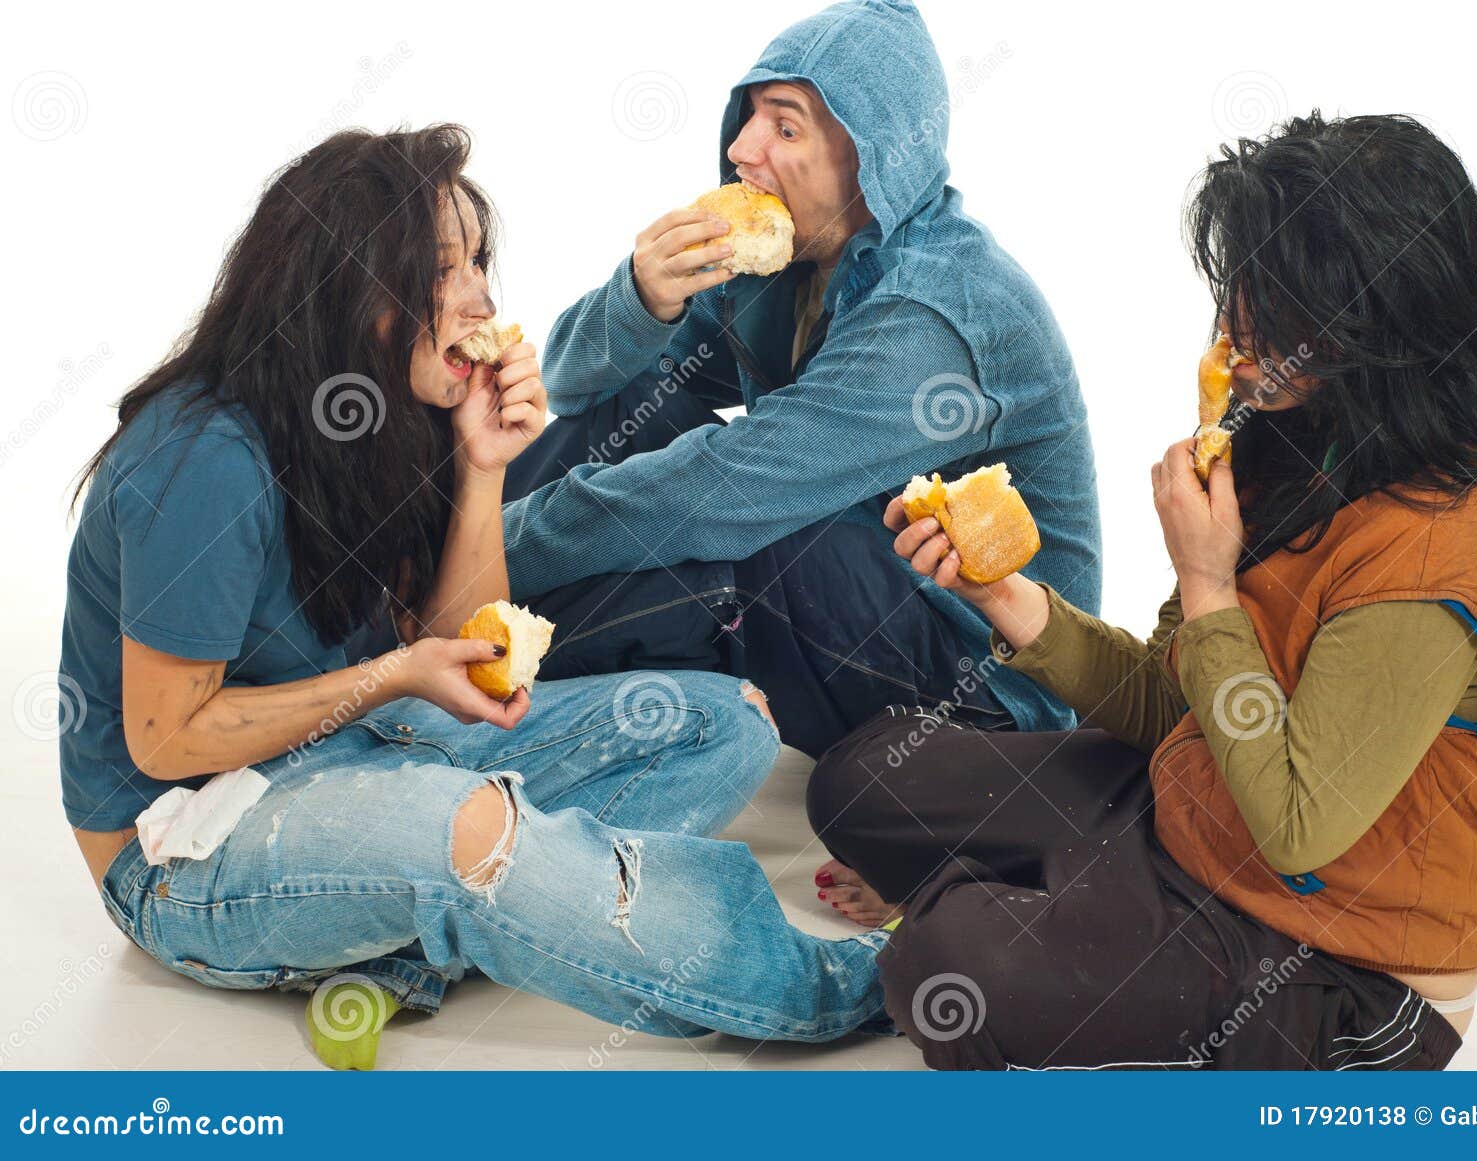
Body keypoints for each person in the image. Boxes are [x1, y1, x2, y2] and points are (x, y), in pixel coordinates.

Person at [59, 125, 887, 1071]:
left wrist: (482, 465)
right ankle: (837, 987)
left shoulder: (386, 414)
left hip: (350, 756)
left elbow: (460, 642)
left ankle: (408, 937)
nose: (481, 296)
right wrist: (392, 678)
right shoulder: (203, 456)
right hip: (183, 845)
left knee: (724, 724)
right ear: (339, 295)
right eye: (438, 269)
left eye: (479, 260)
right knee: (467, 832)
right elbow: (167, 738)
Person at [807, 112, 1477, 1069]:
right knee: (863, 778)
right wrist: (1008, 599)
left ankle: (1013, 913)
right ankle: (1050, 905)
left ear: (1376, 319)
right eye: (1242, 286)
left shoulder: (1441, 552)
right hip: (1197, 816)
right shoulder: (1299, 441)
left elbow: (1298, 823)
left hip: (1341, 957)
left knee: (943, 970)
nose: (1236, 330)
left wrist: (1208, 578)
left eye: (1276, 301)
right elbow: (1179, 701)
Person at [493, 0, 1102, 756]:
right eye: (749, 118)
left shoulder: (936, 315)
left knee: (758, 533)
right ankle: (432, 587)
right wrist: (640, 297)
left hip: (987, 682)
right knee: (636, 408)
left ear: (875, 161)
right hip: (860, 582)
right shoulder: (787, 260)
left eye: (785, 128)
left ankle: (469, 642)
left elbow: (726, 488)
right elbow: (577, 385)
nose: (744, 149)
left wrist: (505, 549)